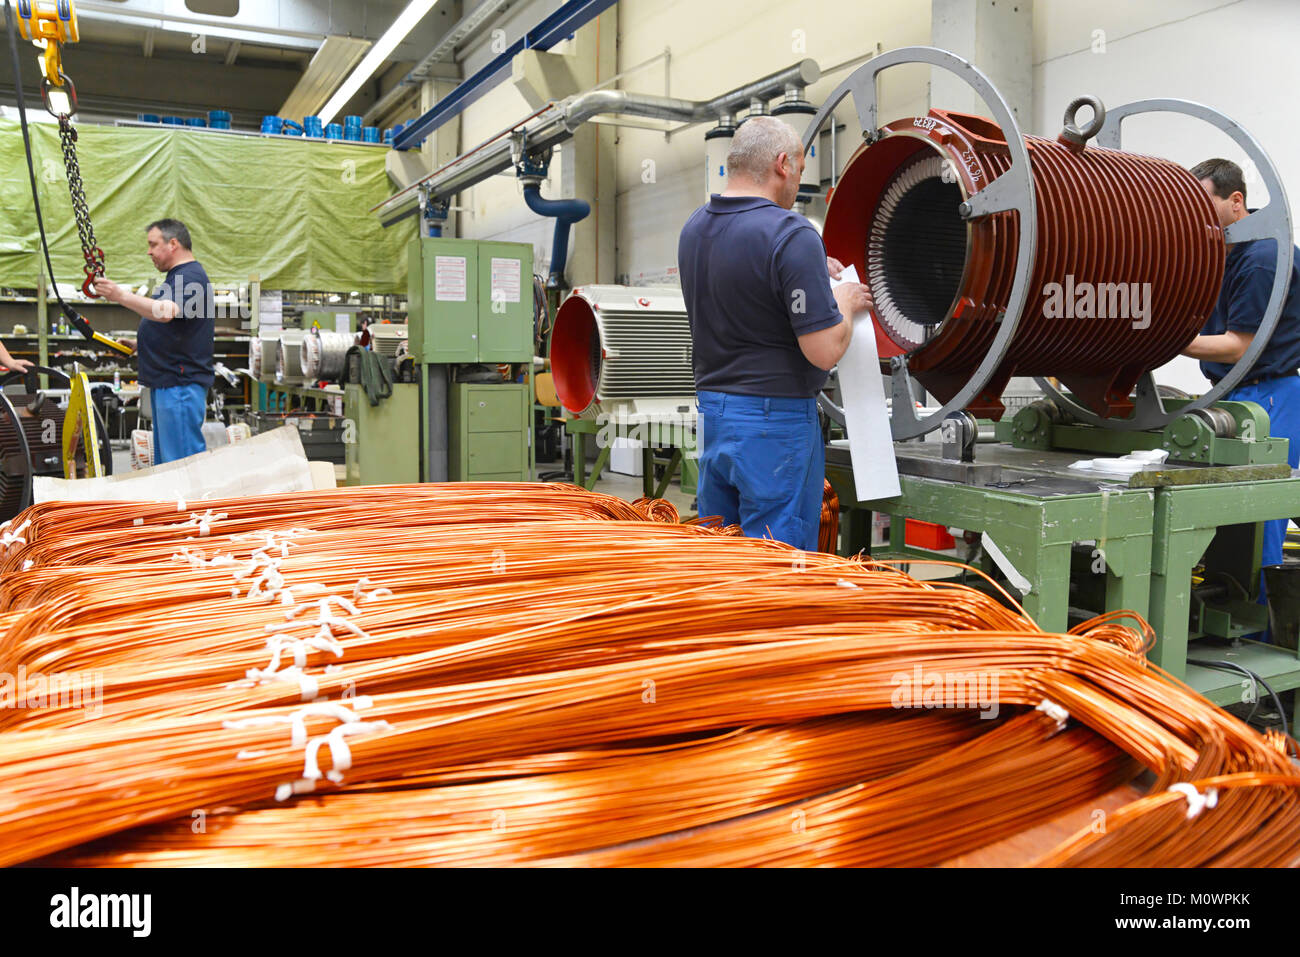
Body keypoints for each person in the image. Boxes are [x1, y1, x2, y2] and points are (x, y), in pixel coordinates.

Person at [678, 115, 873, 551]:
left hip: (713, 415)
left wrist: (802, 270)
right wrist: (842, 304)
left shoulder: (694, 230)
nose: (798, 183)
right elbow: (823, 351)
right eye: (801, 171)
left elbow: (742, 277)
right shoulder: (792, 232)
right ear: (783, 163)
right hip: (774, 424)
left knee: (718, 550)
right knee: (775, 561)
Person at [1181, 157, 1300, 590]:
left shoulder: (1264, 256)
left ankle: (1262, 637)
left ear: (1236, 201)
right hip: (1235, 395)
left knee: (1258, 520)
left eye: (1203, 204)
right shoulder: (1220, 257)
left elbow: (1239, 347)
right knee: (1231, 518)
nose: (1195, 218)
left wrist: (1161, 339)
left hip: (1270, 396)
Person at [92, 218, 214, 464]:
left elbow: (165, 312)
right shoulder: (177, 277)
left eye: (153, 244)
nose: (148, 251)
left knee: (181, 466)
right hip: (171, 384)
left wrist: (120, 295)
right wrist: (142, 343)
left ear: (173, 244)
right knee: (169, 466)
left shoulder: (189, 276)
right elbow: (179, 325)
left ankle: (190, 505)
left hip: (179, 384)